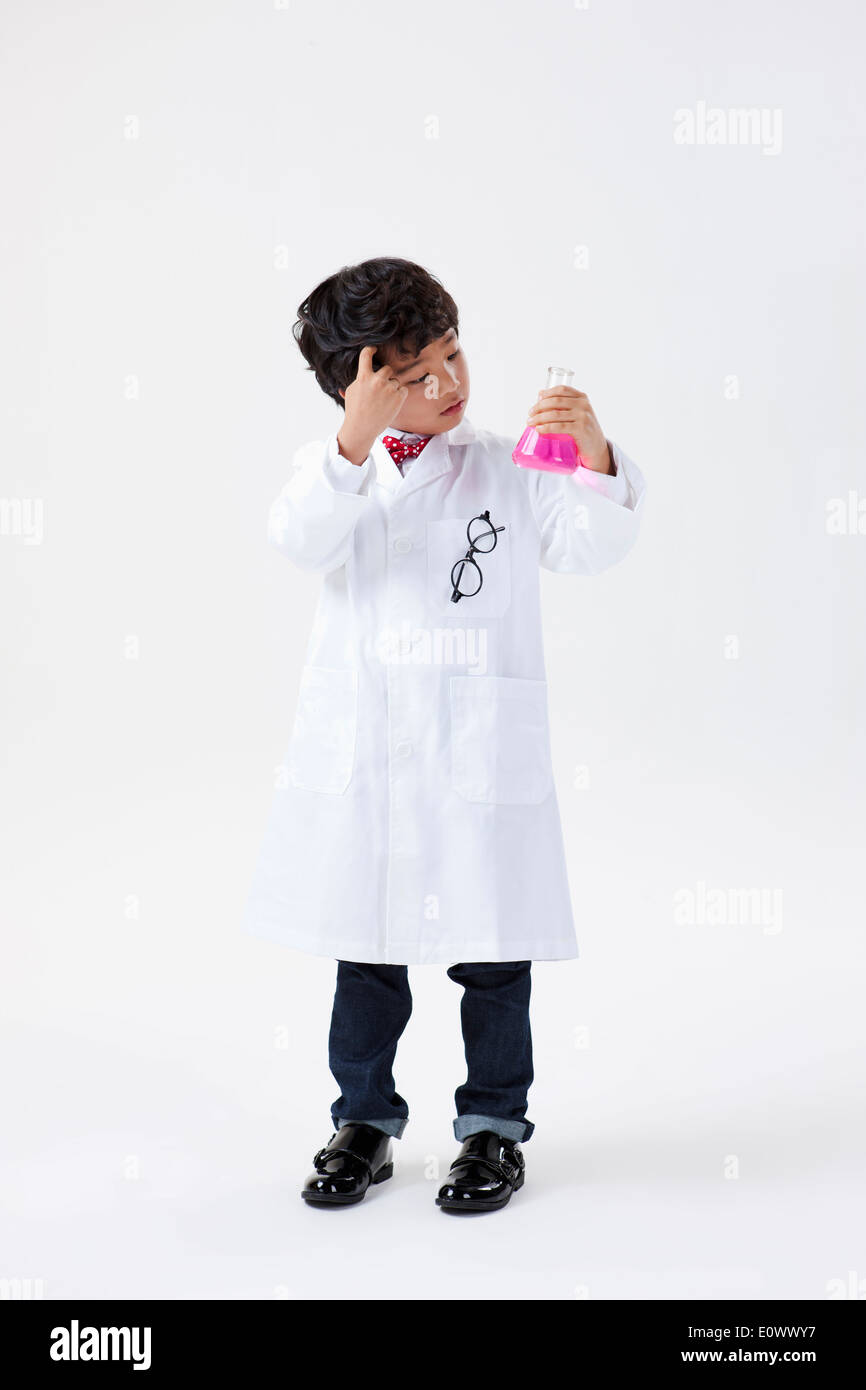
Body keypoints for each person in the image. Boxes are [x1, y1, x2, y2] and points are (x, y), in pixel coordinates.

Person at [243, 257, 647, 1213]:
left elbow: (590, 543)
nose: (450, 386)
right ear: (362, 385)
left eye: (455, 356)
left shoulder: (511, 465)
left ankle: (493, 1130)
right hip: (373, 758)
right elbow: (298, 540)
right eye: (415, 377)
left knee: (494, 953)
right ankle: (364, 1121)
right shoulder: (331, 471)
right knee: (367, 949)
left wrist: (591, 453)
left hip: (477, 756)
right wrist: (351, 439)